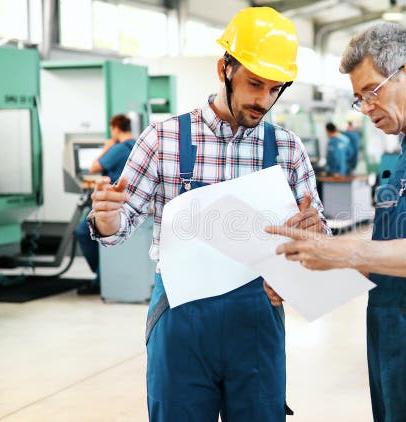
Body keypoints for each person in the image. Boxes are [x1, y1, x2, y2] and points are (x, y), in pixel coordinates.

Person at [86, 7, 328, 421]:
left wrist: (313, 236)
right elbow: (118, 226)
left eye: (276, 89)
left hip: (257, 321)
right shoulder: (163, 139)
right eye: (255, 84)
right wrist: (106, 220)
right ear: (225, 68)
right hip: (181, 323)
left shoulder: (287, 149)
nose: (264, 101)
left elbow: (315, 233)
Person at [268, 22, 406, 421]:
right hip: (400, 330)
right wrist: (308, 268)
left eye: (372, 91)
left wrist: (341, 250)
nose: (366, 107)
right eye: (359, 99)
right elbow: (390, 251)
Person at [75, 114, 136, 295]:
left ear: (116, 129)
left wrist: (106, 147)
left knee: (85, 232)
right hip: (130, 203)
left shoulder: (118, 148)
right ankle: (103, 278)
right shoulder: (136, 145)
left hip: (112, 204)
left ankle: (100, 279)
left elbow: (94, 167)